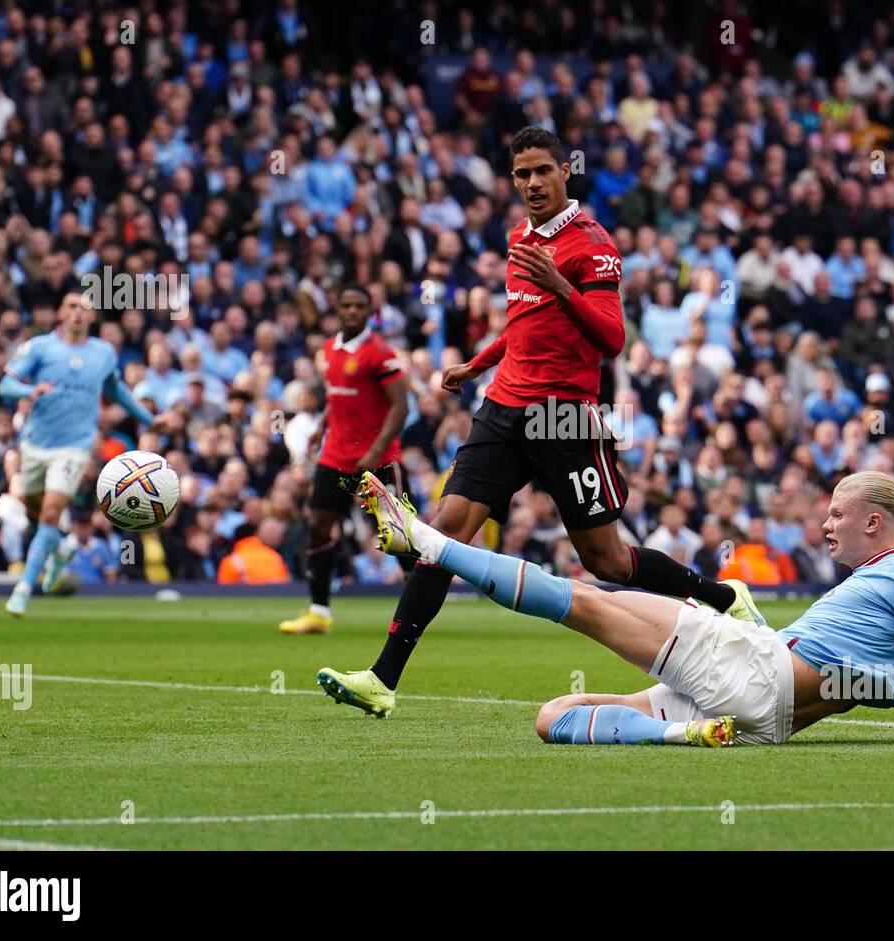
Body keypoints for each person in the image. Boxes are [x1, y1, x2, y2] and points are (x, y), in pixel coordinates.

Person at [318, 126, 762, 718]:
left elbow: (612, 337)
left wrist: (560, 283)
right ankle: (382, 679)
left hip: (563, 418)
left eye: (541, 172)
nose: (531, 184)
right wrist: (476, 365)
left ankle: (722, 594)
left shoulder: (593, 246)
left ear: (563, 172)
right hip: (502, 409)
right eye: (521, 175)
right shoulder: (519, 238)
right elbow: (522, 323)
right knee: (442, 538)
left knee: (605, 562)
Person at [319, 470, 894, 750]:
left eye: (836, 513)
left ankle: (423, 536)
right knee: (552, 716)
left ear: (876, 523)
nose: (824, 525)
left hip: (755, 668)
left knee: (585, 599)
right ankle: (681, 733)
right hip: (762, 717)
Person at [0, 291, 158, 616]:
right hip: (35, 444)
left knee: (50, 513)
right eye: (72, 306)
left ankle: (24, 589)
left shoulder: (103, 353)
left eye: (85, 308)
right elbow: (5, 386)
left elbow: (115, 390)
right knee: (33, 509)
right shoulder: (39, 347)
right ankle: (58, 553)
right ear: (60, 312)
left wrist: (150, 420)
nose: (77, 313)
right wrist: (31, 390)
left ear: (92, 316)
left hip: (74, 447)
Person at [277, 284, 409, 634]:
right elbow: (337, 399)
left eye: (359, 306)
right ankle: (319, 610)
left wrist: (375, 451)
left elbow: (401, 406)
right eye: (346, 305)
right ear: (337, 309)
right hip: (335, 456)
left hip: (376, 459)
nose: (352, 311)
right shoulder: (330, 348)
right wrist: (322, 427)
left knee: (399, 535)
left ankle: (418, 604)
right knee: (319, 526)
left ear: (369, 311)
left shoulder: (379, 353)